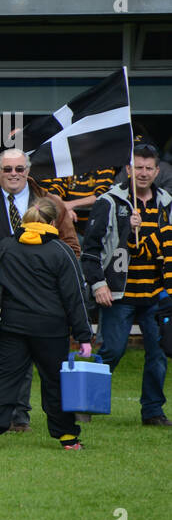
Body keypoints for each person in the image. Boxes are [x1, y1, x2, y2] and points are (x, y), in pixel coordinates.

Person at [0, 148, 78, 431]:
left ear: (28, 171)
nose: (13, 175)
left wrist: (52, 276)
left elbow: (71, 248)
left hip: (38, 295)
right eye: (7, 169)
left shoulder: (49, 202)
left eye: (19, 169)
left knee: (31, 351)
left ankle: (21, 416)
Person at [0, 199, 91, 450]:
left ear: (26, 222)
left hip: (12, 327)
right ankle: (67, 438)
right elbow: (75, 297)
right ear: (52, 223)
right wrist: (84, 335)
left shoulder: (6, 247)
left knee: (5, 379)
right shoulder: (61, 251)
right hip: (50, 330)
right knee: (54, 383)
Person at [82, 144, 172, 427]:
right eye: (138, 167)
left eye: (149, 168)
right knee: (113, 350)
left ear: (157, 171)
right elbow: (90, 250)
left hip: (157, 293)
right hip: (119, 292)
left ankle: (153, 412)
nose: (143, 173)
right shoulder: (109, 201)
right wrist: (98, 284)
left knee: (158, 355)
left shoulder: (167, 203)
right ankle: (85, 404)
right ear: (128, 170)